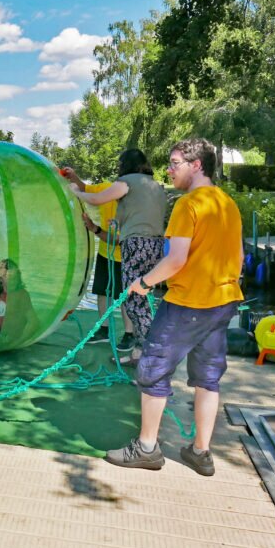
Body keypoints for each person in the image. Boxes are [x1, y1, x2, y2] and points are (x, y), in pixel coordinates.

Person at [105, 138, 243, 477]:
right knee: (208, 378)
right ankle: (201, 452)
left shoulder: (187, 204)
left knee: (152, 368)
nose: (169, 169)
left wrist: (144, 282)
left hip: (187, 304)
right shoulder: (227, 203)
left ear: (196, 165)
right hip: (224, 303)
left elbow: (176, 260)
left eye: (175, 163)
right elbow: (238, 258)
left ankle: (147, 449)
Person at [67, 149, 167, 362]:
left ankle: (149, 356)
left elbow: (96, 199)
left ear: (126, 165)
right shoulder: (154, 185)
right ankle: (141, 352)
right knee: (138, 299)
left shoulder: (127, 182)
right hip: (154, 246)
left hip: (137, 246)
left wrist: (76, 192)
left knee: (133, 300)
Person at [59, 166, 125, 344]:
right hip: (105, 254)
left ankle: (130, 334)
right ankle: (103, 330)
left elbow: (118, 240)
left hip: (126, 256)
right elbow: (85, 189)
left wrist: (94, 228)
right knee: (102, 292)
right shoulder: (106, 188)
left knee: (126, 296)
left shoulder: (134, 203)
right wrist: (74, 177)